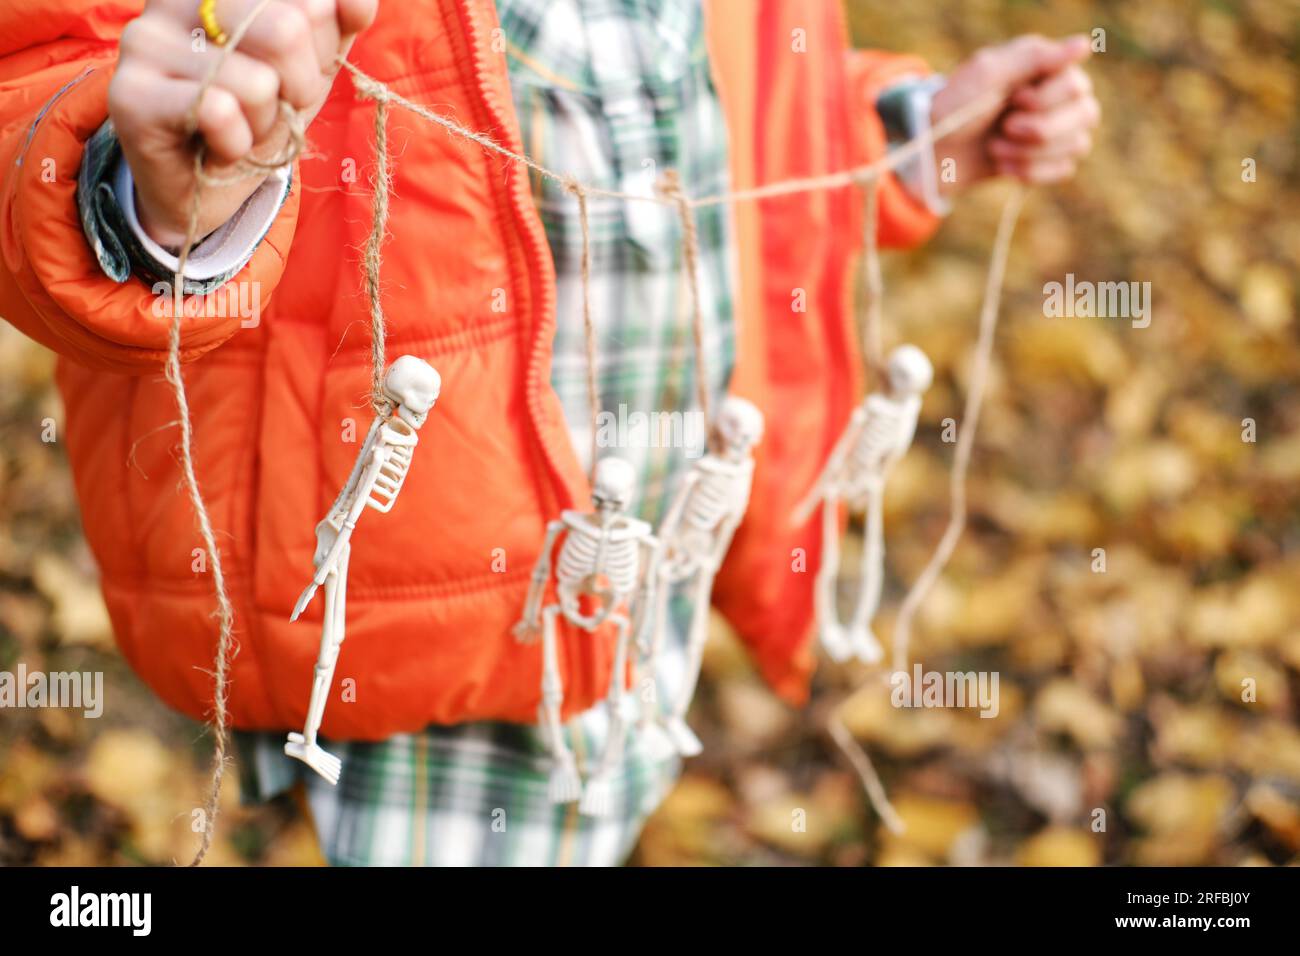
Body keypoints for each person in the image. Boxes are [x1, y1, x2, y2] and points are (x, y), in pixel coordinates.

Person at [0, 0, 1099, 865]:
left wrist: (914, 137)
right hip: (421, 591)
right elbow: (42, 82)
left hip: (646, 573)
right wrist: (146, 184)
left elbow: (749, 109)